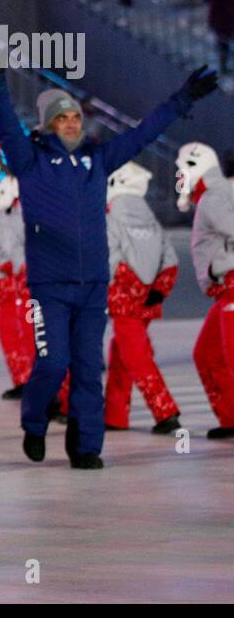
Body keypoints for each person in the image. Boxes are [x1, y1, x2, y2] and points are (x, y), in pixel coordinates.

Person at [0, 62, 220, 468]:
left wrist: (183, 100)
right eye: (63, 118)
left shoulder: (99, 159)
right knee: (53, 362)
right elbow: (5, 123)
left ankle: (85, 445)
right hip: (49, 286)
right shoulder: (29, 162)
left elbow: (143, 133)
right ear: (48, 125)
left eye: (75, 117)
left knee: (89, 367)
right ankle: (35, 420)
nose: (72, 124)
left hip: (93, 284)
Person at [103, 162, 182, 434]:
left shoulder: (110, 217)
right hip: (147, 303)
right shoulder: (152, 222)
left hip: (123, 302)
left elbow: (109, 257)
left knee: (136, 356)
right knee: (122, 353)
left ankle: (165, 411)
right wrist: (157, 289)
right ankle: (114, 414)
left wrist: (129, 286)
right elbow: (170, 261)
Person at [175, 142, 234, 438]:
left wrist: (220, 265)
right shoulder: (216, 195)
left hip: (231, 284)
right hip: (225, 288)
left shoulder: (214, 198)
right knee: (209, 356)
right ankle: (230, 418)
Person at [0, 175, 33, 400]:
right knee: (12, 333)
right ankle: (23, 379)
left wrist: (18, 265)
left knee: (26, 334)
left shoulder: (23, 219)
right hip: (10, 287)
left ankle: (30, 380)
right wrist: (13, 265)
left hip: (21, 285)